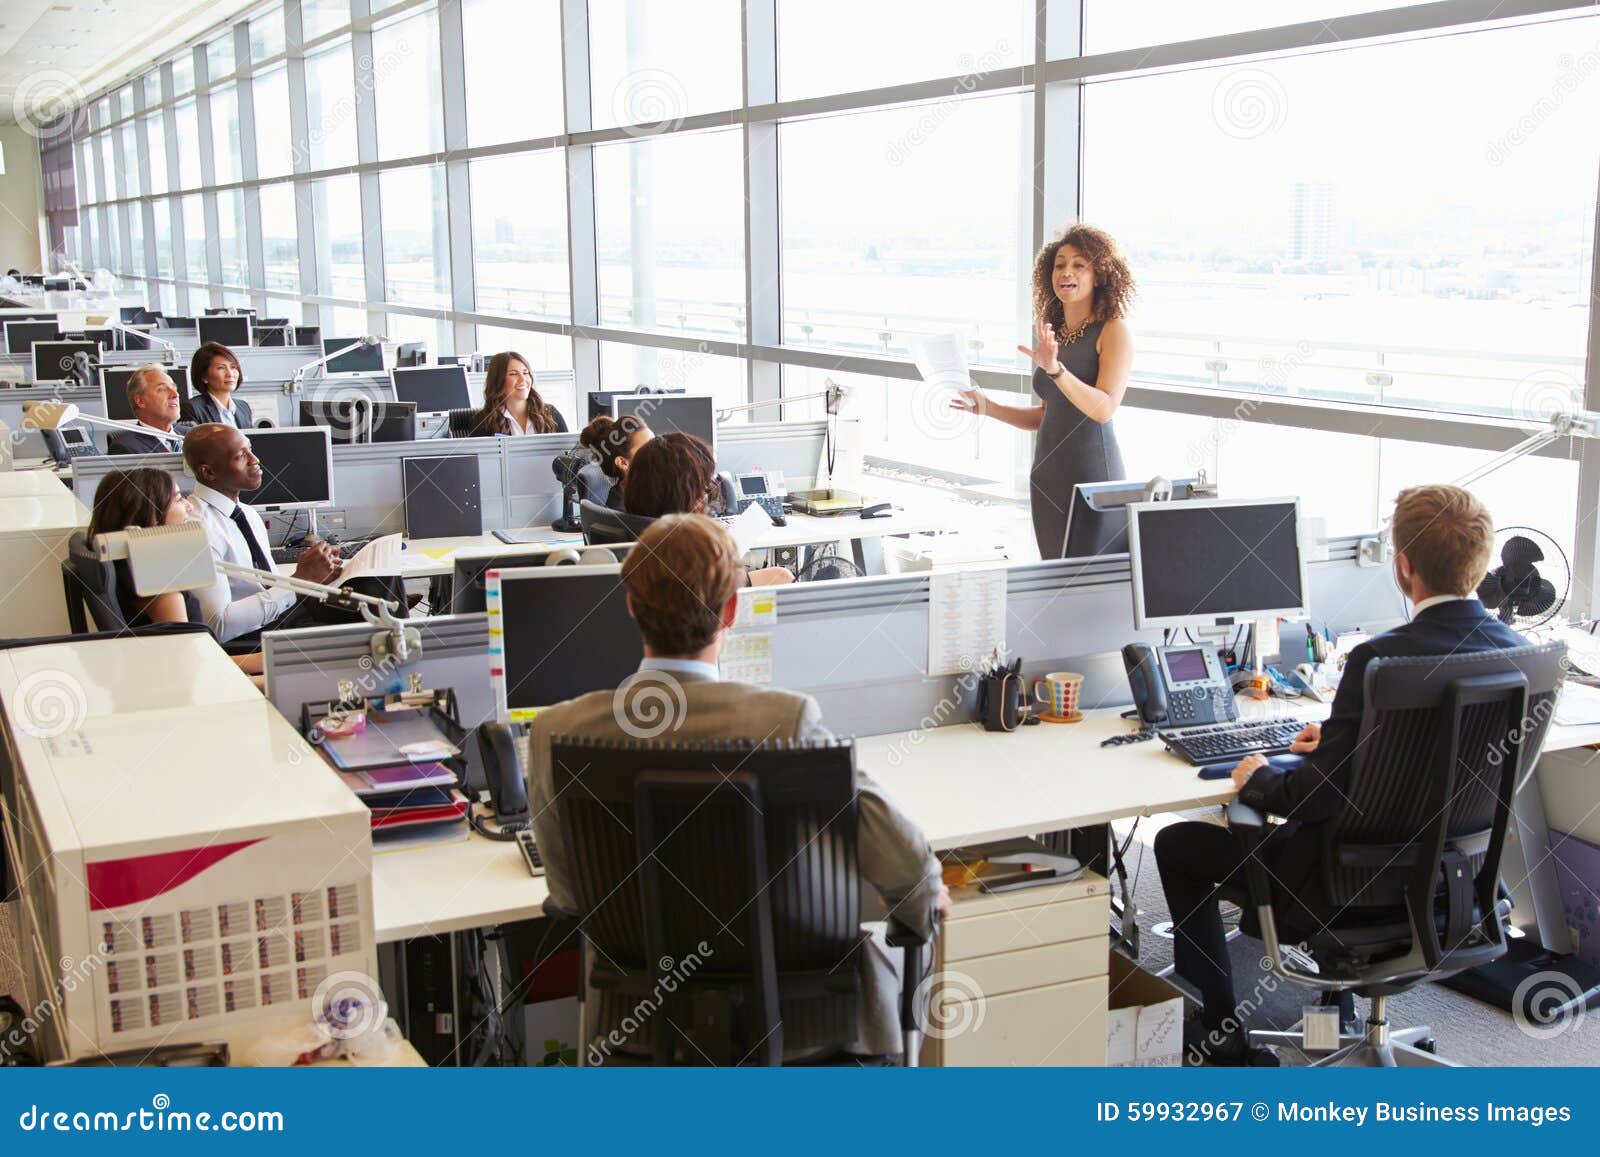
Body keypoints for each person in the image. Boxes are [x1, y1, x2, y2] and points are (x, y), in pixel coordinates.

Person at [526, 513, 946, 1060]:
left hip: (640, 1036)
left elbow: (570, 897)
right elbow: (908, 866)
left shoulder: (557, 733)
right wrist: (916, 915)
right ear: (731, 610)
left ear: (631, 605)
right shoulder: (785, 721)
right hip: (801, 1035)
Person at [1152, 484, 1524, 1066]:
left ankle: (1221, 1034)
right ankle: (1329, 1013)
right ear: (1481, 560)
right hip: (1454, 884)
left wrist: (1258, 775)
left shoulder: (1381, 661)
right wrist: (1356, 742)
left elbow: (1312, 797)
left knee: (1178, 842)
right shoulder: (1520, 652)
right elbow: (1447, 751)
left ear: (1402, 568)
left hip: (1344, 890)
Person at [951, 223, 1136, 559]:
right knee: (1055, 582)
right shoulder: (1056, 335)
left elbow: (1103, 409)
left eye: (1079, 265)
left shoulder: (1114, 330)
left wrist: (1055, 369)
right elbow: (1047, 416)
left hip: (1093, 479)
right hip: (1048, 479)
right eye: (1060, 264)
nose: (1066, 271)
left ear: (1101, 275)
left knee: (1092, 587)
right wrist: (987, 407)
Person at [85, 467, 264, 682]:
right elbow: (192, 670)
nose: (189, 506)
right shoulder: (161, 591)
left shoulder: (129, 568)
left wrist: (259, 660)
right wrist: (268, 682)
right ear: (152, 516)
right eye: (179, 500)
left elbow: (198, 660)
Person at [182, 424, 341, 643]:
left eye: (250, 449)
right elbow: (216, 626)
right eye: (240, 456)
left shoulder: (247, 514)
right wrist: (299, 581)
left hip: (278, 621)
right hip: (249, 639)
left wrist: (313, 579)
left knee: (372, 599)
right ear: (208, 472)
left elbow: (269, 590)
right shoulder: (196, 528)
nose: (255, 459)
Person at [624, 432, 792, 586]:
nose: (705, 494)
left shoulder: (645, 526)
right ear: (683, 492)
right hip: (703, 590)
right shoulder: (680, 542)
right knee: (783, 576)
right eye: (701, 485)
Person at [467, 351, 567, 436]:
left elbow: (570, 454)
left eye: (525, 373)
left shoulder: (550, 414)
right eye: (513, 374)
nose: (523, 379)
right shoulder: (483, 421)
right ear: (498, 380)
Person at [106, 365, 190, 454]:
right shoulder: (125, 447)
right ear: (140, 401)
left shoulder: (193, 435)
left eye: (174, 388)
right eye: (161, 389)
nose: (175, 394)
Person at [578, 412, 652, 510]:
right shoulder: (627, 513)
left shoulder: (649, 493)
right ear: (623, 463)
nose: (658, 449)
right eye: (648, 448)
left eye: (656, 441)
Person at [183, 342, 255, 428]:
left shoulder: (243, 407)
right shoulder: (192, 408)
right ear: (204, 376)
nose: (230, 374)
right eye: (221, 368)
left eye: (233, 367)